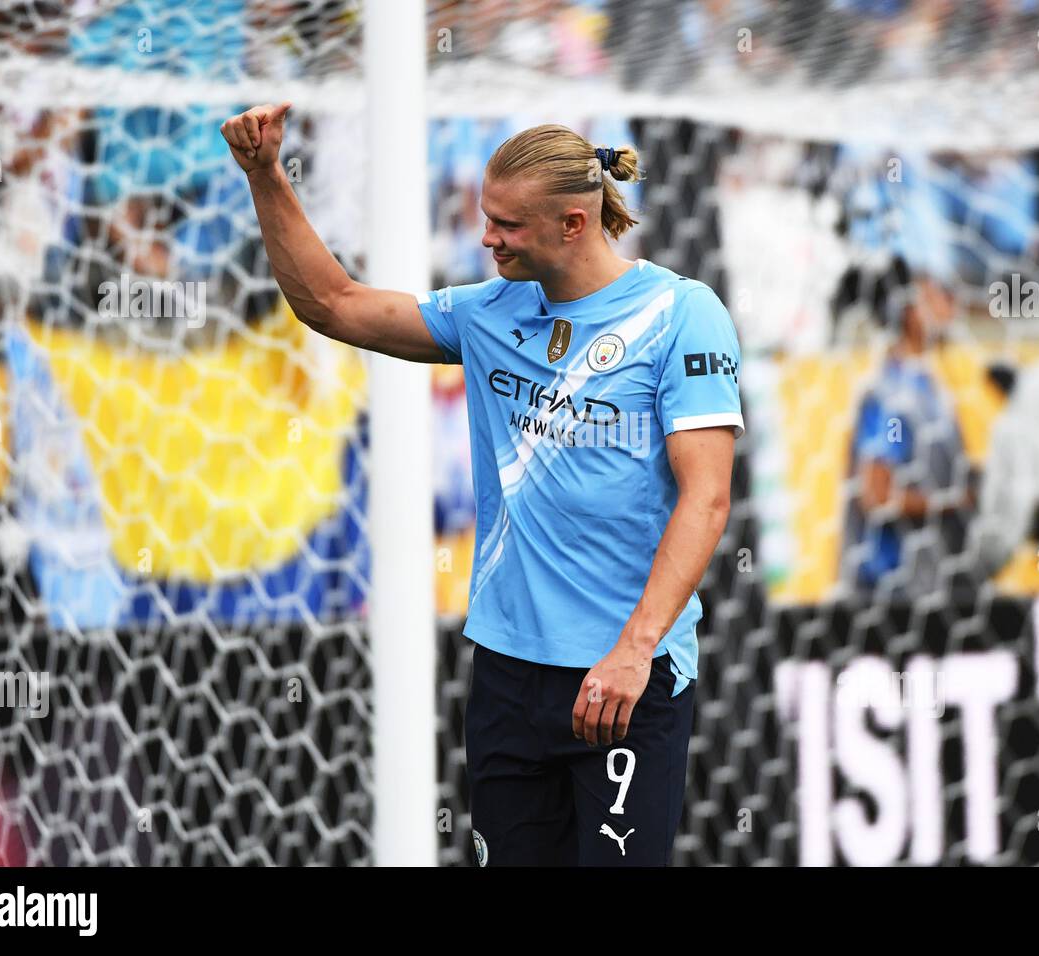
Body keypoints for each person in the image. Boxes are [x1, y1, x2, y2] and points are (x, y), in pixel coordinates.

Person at [220, 109, 744, 866]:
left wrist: (633, 652)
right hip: (507, 675)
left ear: (572, 223)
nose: (487, 239)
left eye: (506, 225)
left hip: (626, 677)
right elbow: (331, 302)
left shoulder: (681, 315)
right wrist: (266, 176)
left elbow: (708, 499)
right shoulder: (489, 313)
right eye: (484, 219)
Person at [839, 255, 978, 607]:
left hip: (928, 583)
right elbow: (876, 495)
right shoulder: (892, 396)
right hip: (886, 589)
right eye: (935, 296)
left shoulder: (929, 386)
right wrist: (955, 501)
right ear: (908, 312)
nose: (949, 304)